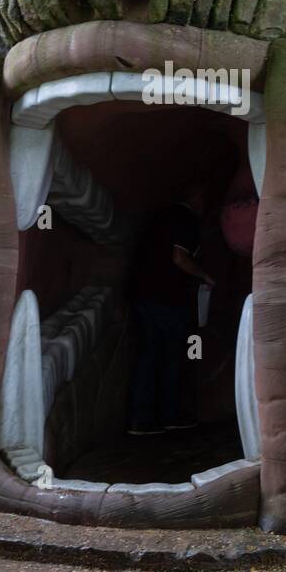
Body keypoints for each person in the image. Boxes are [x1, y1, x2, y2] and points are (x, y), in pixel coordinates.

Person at [127, 181, 217, 435]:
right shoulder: (185, 219)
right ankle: (170, 416)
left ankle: (140, 419)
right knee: (173, 357)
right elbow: (179, 257)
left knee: (148, 355)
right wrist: (205, 276)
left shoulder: (159, 217)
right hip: (167, 298)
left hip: (142, 295)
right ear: (198, 200)